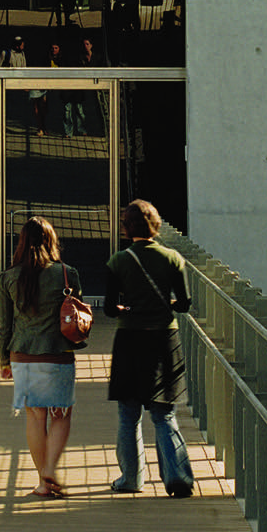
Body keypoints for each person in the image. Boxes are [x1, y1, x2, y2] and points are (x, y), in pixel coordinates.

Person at [105, 197, 195, 496]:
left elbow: (108, 308)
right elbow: (183, 304)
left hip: (130, 339)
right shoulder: (173, 258)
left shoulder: (118, 260)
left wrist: (127, 308)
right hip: (163, 339)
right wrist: (165, 302)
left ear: (127, 228)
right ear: (156, 225)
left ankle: (131, 479)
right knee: (164, 414)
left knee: (128, 416)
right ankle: (177, 477)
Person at [1, 214, 80, 498]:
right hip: (58, 354)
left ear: (22, 242)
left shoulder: (8, 277)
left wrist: (3, 360)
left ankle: (42, 483)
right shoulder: (66, 274)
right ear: (51, 241)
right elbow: (75, 314)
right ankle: (50, 468)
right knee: (61, 414)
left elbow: (4, 324)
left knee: (35, 417)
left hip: (22, 354)